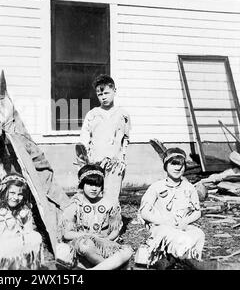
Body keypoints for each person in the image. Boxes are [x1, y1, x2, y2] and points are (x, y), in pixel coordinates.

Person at [137, 147, 205, 268]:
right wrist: (164, 221)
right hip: (162, 227)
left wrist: (185, 221)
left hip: (181, 226)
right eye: (173, 164)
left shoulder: (189, 187)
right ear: (165, 166)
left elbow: (197, 212)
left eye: (181, 165)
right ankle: (183, 260)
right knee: (177, 237)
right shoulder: (156, 187)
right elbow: (144, 212)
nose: (177, 168)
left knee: (198, 234)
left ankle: (172, 260)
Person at [57, 164, 133, 270]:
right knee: (86, 245)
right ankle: (111, 266)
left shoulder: (110, 203)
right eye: (89, 184)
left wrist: (106, 240)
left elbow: (115, 231)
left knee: (127, 251)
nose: (94, 189)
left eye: (97, 185)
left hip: (106, 244)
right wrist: (91, 236)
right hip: (83, 244)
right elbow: (67, 234)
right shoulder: (75, 204)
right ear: (82, 185)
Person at [77, 74, 131, 204]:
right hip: (96, 162)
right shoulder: (92, 114)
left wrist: (122, 158)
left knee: (112, 196)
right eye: (100, 94)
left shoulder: (123, 114)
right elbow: (84, 139)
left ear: (114, 91)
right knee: (94, 195)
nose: (104, 97)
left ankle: (113, 223)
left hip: (115, 164)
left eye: (107, 93)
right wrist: (85, 161)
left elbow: (126, 139)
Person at [0, 173, 44, 270]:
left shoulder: (24, 211)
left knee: (36, 237)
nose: (16, 198)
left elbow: (28, 232)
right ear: (4, 191)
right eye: (12, 193)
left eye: (20, 194)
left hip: (18, 253)